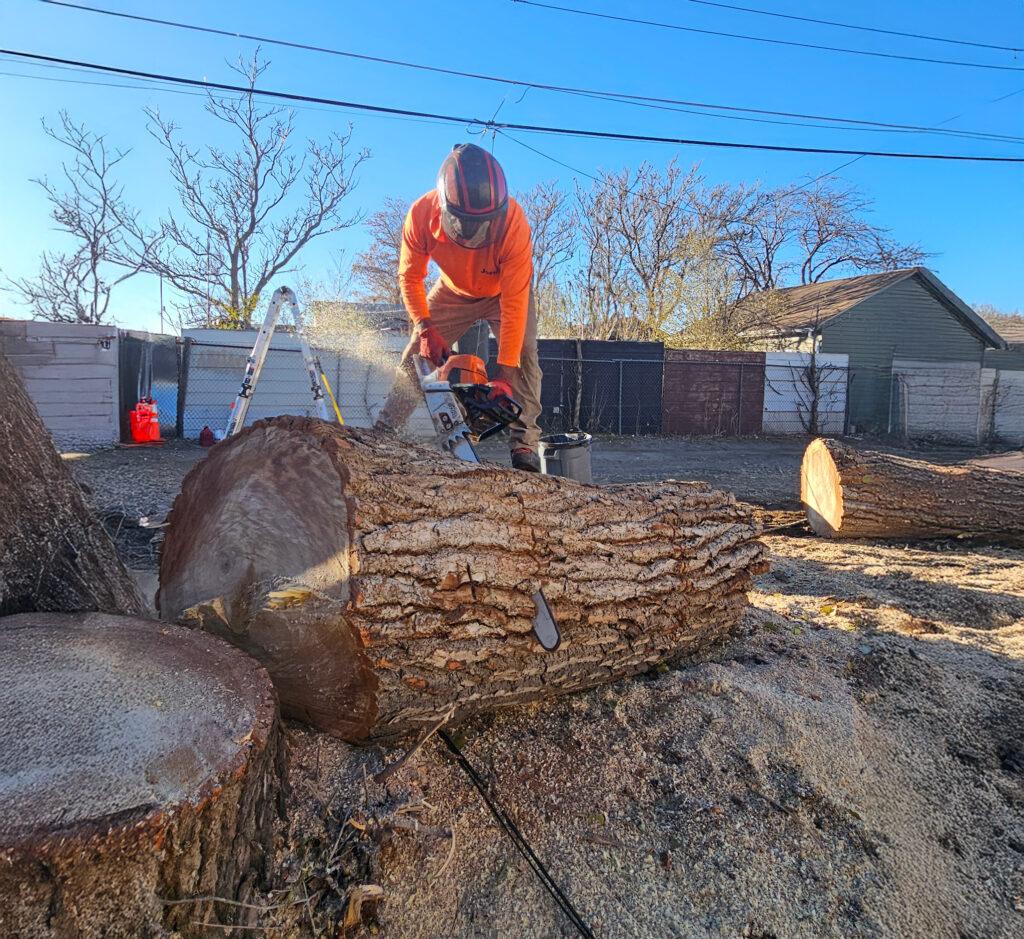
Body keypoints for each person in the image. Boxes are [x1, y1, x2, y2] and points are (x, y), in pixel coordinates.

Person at [374, 143, 543, 471]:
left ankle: (524, 446)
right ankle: (385, 432)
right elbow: (409, 277)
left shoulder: (514, 224)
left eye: (481, 226)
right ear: (445, 207)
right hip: (453, 290)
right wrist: (424, 327)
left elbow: (514, 304)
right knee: (415, 357)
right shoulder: (421, 214)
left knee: (524, 354)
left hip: (502, 293)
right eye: (465, 224)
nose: (472, 233)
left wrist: (505, 374)